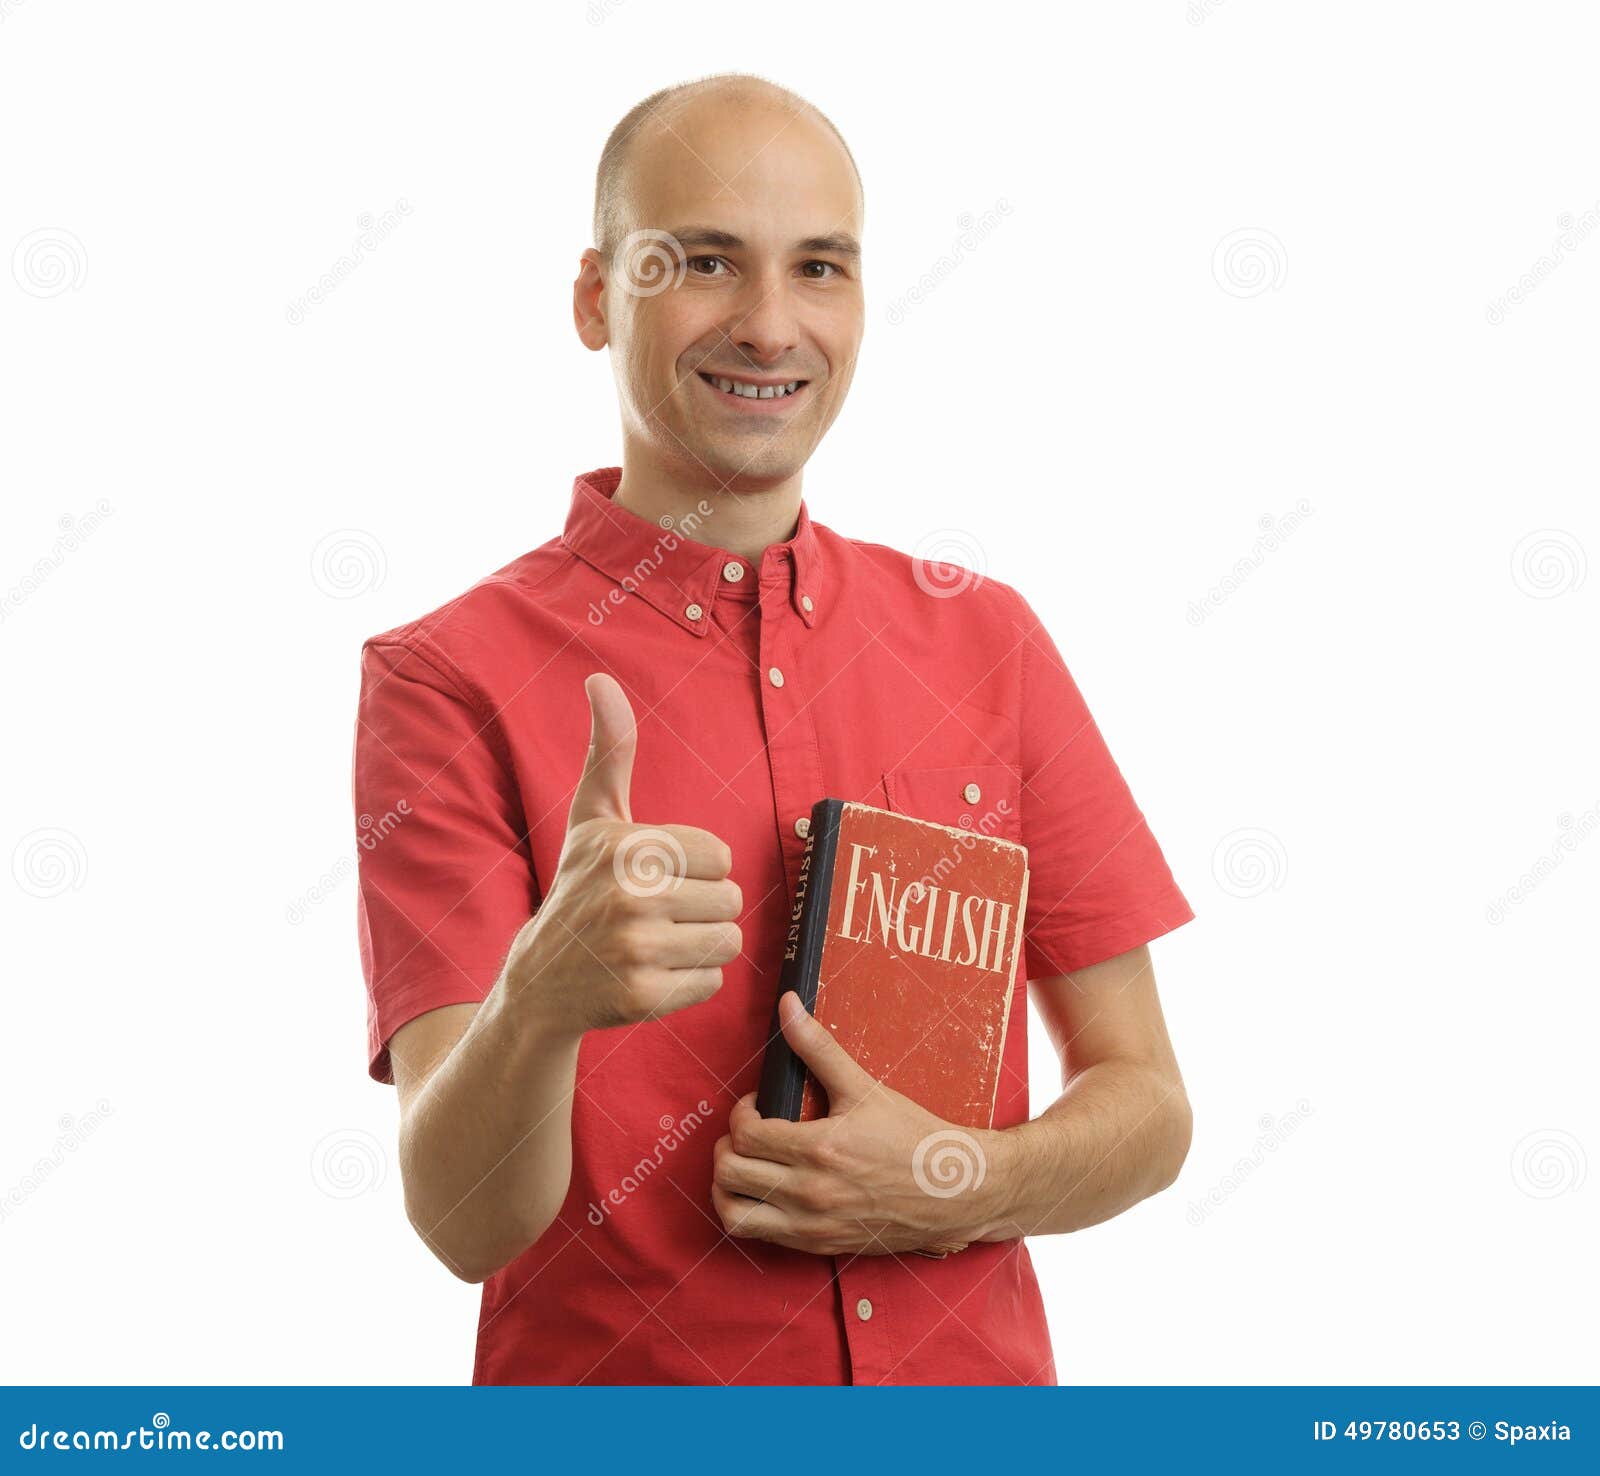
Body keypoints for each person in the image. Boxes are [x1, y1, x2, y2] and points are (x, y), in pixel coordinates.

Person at [352, 71, 1195, 1385]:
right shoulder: (448, 677)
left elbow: (1148, 1103)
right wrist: (541, 997)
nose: (768, 325)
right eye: (702, 262)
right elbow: (464, 1223)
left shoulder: (990, 641)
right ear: (594, 297)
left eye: (819, 268)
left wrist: (965, 1181)